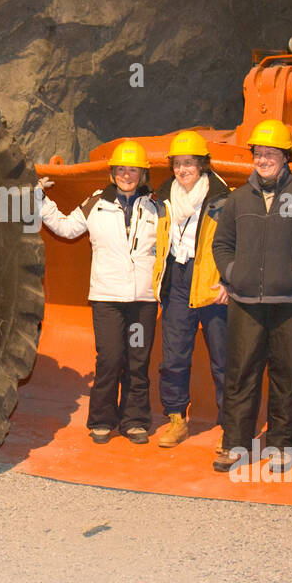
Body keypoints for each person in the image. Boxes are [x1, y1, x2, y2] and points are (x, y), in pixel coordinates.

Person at [211, 119, 292, 473]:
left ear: (285, 156)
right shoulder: (238, 199)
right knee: (241, 374)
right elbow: (222, 244)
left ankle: (281, 446)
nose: (263, 159)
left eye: (271, 153)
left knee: (288, 376)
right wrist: (233, 274)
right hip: (246, 303)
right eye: (259, 153)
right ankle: (235, 444)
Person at [37, 140, 160, 444]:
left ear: (143, 174)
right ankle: (102, 420)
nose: (127, 175)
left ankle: (135, 421)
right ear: (113, 172)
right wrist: (40, 199)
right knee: (110, 358)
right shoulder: (95, 203)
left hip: (142, 301)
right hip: (107, 300)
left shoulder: (157, 207)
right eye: (121, 169)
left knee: (137, 361)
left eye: (133, 170)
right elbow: (65, 228)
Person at [150, 130, 232, 448]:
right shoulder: (162, 198)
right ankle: (176, 418)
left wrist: (229, 280)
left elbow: (238, 242)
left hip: (211, 281)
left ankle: (231, 424)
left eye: (189, 163)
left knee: (224, 358)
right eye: (177, 163)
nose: (183, 169)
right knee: (174, 356)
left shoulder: (224, 198)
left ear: (202, 165)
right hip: (177, 281)